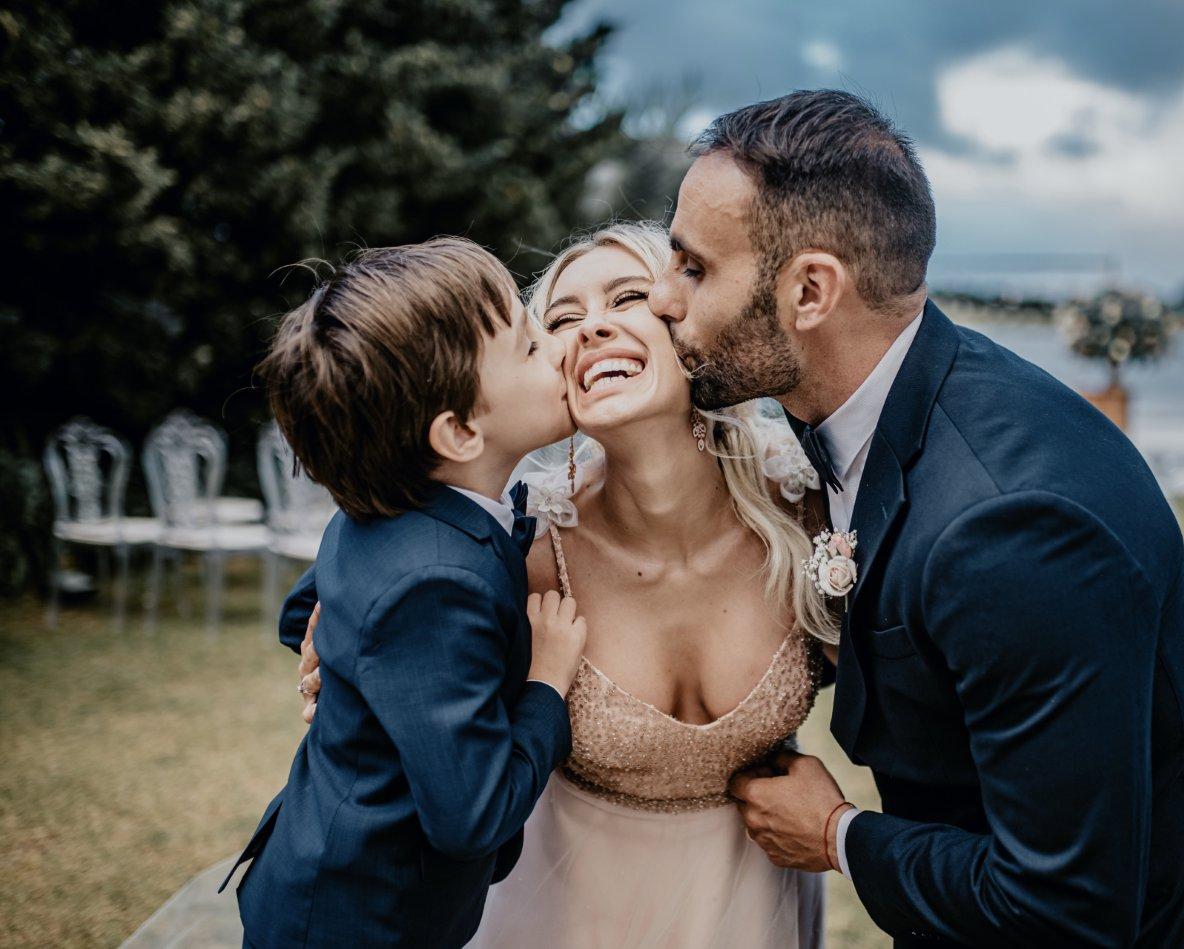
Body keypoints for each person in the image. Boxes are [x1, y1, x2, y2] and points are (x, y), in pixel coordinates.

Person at [649, 90, 1184, 947]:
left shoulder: (1013, 531)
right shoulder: (862, 405)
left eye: (695, 268)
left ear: (811, 290)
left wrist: (837, 836)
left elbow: (1064, 910)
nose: (661, 296)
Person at [287, 222, 840, 947]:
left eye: (629, 296)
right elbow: (390, 574)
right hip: (561, 911)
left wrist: (840, 829)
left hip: (752, 908)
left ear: (689, 320)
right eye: (558, 322)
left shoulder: (808, 504)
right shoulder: (518, 553)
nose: (591, 330)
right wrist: (328, 628)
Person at [225, 238, 588, 948]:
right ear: (457, 430)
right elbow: (472, 817)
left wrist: (339, 654)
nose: (560, 346)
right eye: (530, 346)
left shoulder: (379, 509)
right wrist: (547, 678)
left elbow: (305, 610)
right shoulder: (433, 578)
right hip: (358, 922)